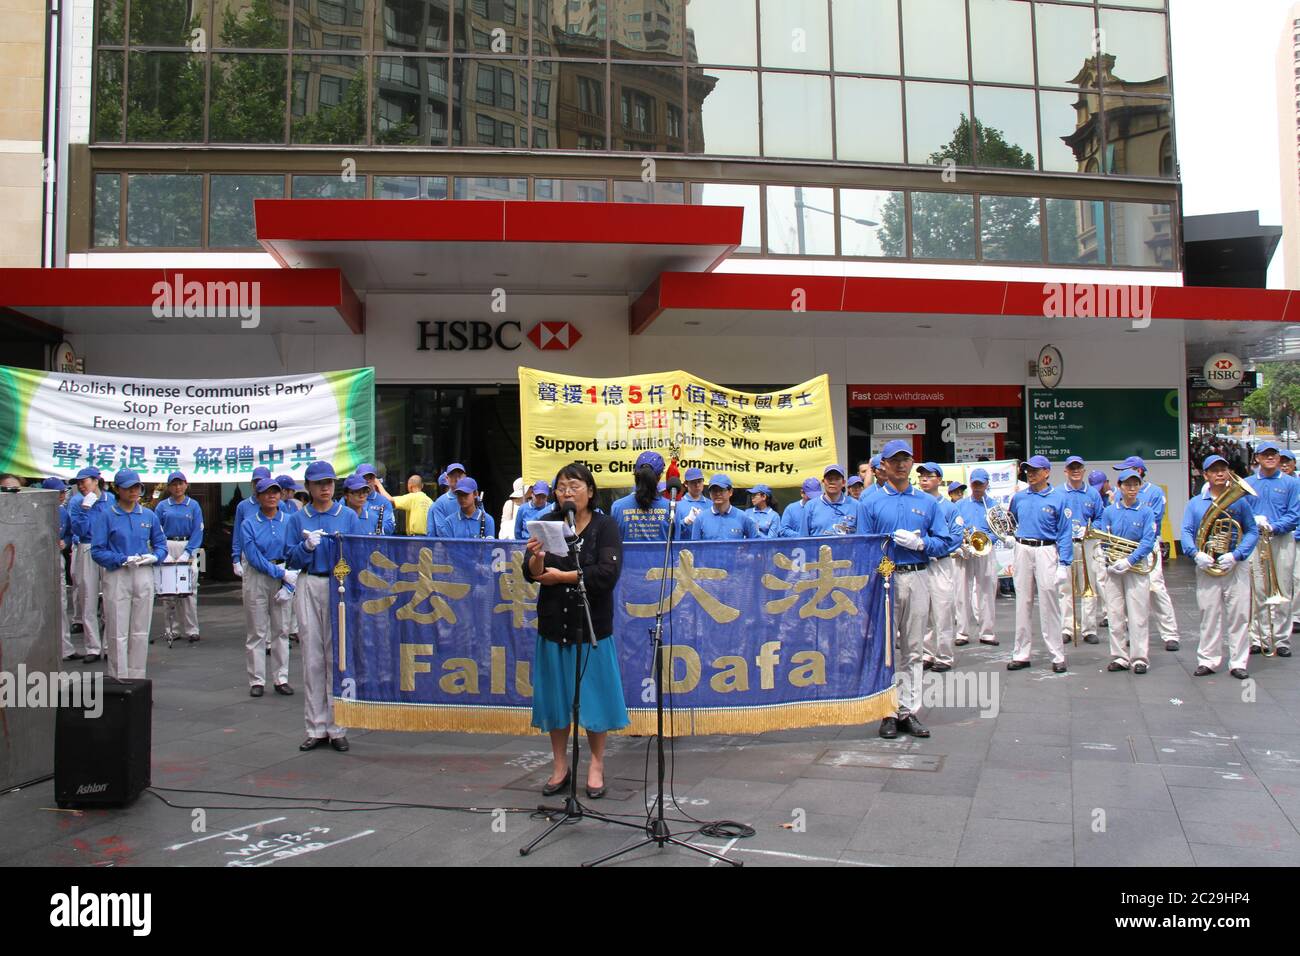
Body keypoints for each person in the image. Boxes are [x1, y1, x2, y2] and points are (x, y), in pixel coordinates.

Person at [523, 463, 628, 798]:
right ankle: (559, 765)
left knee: (594, 701)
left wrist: (564, 577)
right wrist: (536, 560)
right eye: (561, 487)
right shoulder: (549, 523)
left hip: (592, 628)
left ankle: (596, 764)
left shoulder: (605, 526)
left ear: (590, 490)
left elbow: (605, 576)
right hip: (554, 625)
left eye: (574, 485)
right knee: (556, 700)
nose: (567, 492)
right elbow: (532, 574)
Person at [861, 440, 953, 739]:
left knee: (913, 647)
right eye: (894, 460)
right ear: (883, 466)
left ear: (911, 463)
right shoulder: (870, 502)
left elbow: (945, 541)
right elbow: (864, 546)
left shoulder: (927, 503)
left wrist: (922, 543)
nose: (900, 464)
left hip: (917, 574)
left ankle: (909, 710)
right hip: (885, 578)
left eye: (905, 459)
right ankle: (887, 711)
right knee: (886, 647)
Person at [285, 461, 365, 752]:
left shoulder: (346, 516)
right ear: (308, 486)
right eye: (319, 483)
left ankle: (337, 726)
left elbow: (358, 554)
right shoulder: (298, 518)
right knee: (312, 657)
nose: (325, 487)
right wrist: (305, 548)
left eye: (329, 482)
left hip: (338, 585)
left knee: (337, 657)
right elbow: (290, 559)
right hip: (309, 583)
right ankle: (315, 726)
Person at [1183, 455, 1259, 679]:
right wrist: (1195, 554)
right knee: (1210, 614)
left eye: (1223, 470)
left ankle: (1238, 662)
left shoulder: (1240, 501)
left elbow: (1252, 530)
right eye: (1214, 470)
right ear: (1205, 475)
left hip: (1234, 565)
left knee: (1239, 615)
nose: (1219, 474)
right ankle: (1208, 660)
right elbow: (1187, 531)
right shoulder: (1195, 503)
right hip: (1207, 565)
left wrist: (1237, 554)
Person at [90, 468, 166, 679]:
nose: (133, 491)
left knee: (141, 628)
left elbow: (161, 544)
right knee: (117, 627)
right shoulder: (107, 515)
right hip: (118, 573)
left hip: (143, 572)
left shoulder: (148, 515)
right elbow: (97, 551)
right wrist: (120, 559)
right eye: (128, 487)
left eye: (137, 487)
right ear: (118, 489)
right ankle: (118, 675)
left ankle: (137, 677)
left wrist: (155, 557)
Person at [1006, 456, 1073, 673]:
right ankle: (1021, 653)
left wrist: (1064, 563)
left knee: (1049, 602)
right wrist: (1010, 537)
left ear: (1046, 472)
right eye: (1027, 470)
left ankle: (1057, 654)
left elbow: (1064, 533)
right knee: (1022, 602)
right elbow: (1011, 521)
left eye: (1035, 470)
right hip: (1023, 548)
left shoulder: (1058, 498)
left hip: (1047, 549)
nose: (1030, 474)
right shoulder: (1018, 497)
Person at [1113, 456, 1180, 651]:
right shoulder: (1119, 493)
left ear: (1138, 471)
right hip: (1125, 547)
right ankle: (1132, 632)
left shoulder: (1155, 492)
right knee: (1128, 593)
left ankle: (1169, 633)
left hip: (1147, 545)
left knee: (1155, 587)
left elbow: (1154, 520)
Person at [237, 476, 296, 698]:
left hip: (283, 574)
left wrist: (289, 582)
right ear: (258, 496)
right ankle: (257, 679)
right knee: (257, 630)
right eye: (266, 492)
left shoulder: (290, 521)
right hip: (258, 576)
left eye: (275, 492)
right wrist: (281, 573)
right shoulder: (249, 523)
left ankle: (281, 678)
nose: (271, 496)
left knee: (281, 629)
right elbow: (253, 556)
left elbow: (293, 550)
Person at [1095, 469, 1156, 674]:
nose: (1132, 488)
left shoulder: (1147, 512)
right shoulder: (1109, 511)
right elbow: (1105, 537)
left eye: (1135, 484)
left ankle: (1139, 657)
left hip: (1136, 567)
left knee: (1138, 614)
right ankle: (1119, 656)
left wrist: (1129, 560)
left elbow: (1148, 541)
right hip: (1114, 568)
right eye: (1127, 485)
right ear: (1119, 487)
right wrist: (1109, 559)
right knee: (1114, 613)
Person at [1245, 440, 1299, 658]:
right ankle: (1258, 637)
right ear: (1257, 457)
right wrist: (1254, 523)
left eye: (1273, 454)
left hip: (1281, 538)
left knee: (1283, 589)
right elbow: (1242, 511)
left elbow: (1295, 514)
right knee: (1258, 590)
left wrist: (1274, 526)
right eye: (1265, 454)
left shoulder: (1291, 483)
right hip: (1257, 541)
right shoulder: (1248, 483)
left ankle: (1281, 639)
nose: (1270, 457)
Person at [918, 463, 960, 673]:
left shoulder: (949, 507)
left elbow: (956, 535)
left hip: (941, 561)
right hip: (921, 562)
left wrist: (936, 548)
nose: (924, 479)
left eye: (929, 476)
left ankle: (944, 655)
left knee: (943, 610)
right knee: (923, 611)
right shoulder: (916, 503)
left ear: (939, 480)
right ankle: (927, 653)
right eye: (921, 476)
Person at [153, 470, 204, 646]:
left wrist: (188, 552)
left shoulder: (193, 505)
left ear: (186, 484)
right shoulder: (162, 506)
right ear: (169, 487)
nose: (178, 487)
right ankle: (171, 629)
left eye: (180, 483)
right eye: (174, 484)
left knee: (189, 589)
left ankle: (192, 629)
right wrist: (162, 552)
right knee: (168, 591)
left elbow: (198, 530)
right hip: (167, 545)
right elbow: (156, 530)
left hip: (186, 545)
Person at [1060, 456, 1106, 646]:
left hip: (1088, 543)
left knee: (1090, 586)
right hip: (1065, 543)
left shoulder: (1093, 494)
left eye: (1078, 467)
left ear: (1084, 471)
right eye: (1072, 468)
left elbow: (1100, 517)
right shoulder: (1058, 493)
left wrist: (1090, 529)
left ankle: (1089, 629)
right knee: (1065, 588)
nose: (1075, 471)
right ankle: (1067, 628)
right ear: (1066, 471)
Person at [70, 465, 114, 663]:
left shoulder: (111, 499)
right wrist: (85, 509)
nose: (81, 486)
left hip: (107, 549)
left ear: (96, 481)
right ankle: (92, 647)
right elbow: (79, 530)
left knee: (110, 597)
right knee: (87, 598)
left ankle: (108, 645)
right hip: (87, 547)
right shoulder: (77, 502)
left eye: (84, 481)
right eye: (78, 483)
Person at [954, 467, 999, 648]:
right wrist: (962, 544)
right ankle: (962, 632)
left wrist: (986, 542)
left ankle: (987, 632)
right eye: (975, 484)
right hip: (965, 551)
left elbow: (999, 529)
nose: (977, 487)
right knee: (961, 592)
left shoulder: (993, 505)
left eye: (981, 484)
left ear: (987, 484)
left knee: (986, 591)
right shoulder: (960, 505)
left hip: (985, 550)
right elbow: (955, 528)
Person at [45, 477, 78, 662]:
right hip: (40, 560)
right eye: (58, 492)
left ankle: (65, 647)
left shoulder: (63, 512)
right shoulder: (38, 511)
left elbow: (69, 533)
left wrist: (65, 542)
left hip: (57, 559)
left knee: (61, 603)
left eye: (63, 492)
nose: (62, 495)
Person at [609, 452, 672, 541]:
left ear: (635, 473)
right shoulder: (671, 508)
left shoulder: (617, 507)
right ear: (660, 476)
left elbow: (612, 543)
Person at [231, 466, 274, 578]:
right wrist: (236, 558)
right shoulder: (243, 506)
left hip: (274, 555)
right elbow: (237, 533)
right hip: (250, 556)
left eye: (262, 481)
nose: (259, 485)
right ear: (252, 483)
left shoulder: (278, 504)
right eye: (256, 482)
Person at [688, 474, 757, 540]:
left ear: (730, 492)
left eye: (721, 490)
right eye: (714, 490)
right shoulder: (700, 519)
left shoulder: (743, 517)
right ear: (710, 493)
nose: (718, 494)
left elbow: (755, 545)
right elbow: (695, 549)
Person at [804, 465, 864, 536]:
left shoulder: (856, 506)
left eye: (837, 479)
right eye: (829, 478)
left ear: (843, 483)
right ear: (823, 482)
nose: (832, 482)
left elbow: (862, 537)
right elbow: (802, 538)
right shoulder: (810, 506)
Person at [674, 468, 708, 539]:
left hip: (706, 547)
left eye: (699, 481)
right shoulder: (678, 505)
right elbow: (671, 531)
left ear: (703, 482)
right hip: (684, 548)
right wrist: (685, 522)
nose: (697, 485)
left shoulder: (710, 504)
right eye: (693, 482)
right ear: (686, 484)